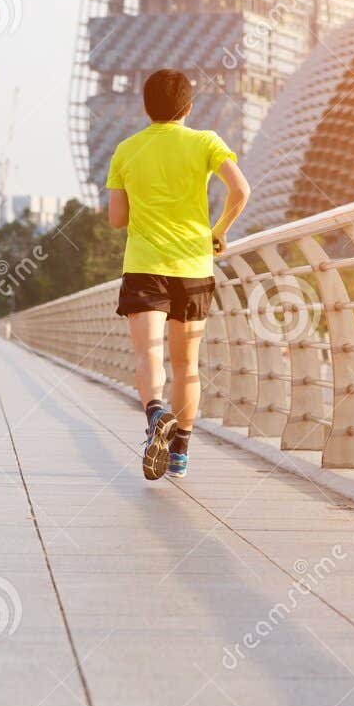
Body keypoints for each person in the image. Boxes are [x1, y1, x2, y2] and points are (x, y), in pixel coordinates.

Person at [107, 69, 250, 479]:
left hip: (144, 266)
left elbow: (117, 219)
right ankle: (180, 451)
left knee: (148, 353)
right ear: (188, 107)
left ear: (145, 108)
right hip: (192, 266)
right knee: (187, 365)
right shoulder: (206, 141)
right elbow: (241, 191)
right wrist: (217, 232)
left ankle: (156, 414)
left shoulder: (126, 150)